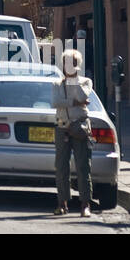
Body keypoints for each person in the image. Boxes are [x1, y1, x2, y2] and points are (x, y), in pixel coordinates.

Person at [52, 48, 94, 217]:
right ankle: (62, 203)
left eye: (73, 63)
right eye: (67, 63)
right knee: (61, 167)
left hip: (80, 127)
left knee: (83, 166)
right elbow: (56, 102)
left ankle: (85, 204)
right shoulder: (56, 84)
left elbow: (83, 96)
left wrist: (74, 80)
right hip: (62, 127)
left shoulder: (85, 81)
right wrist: (74, 102)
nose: (69, 67)